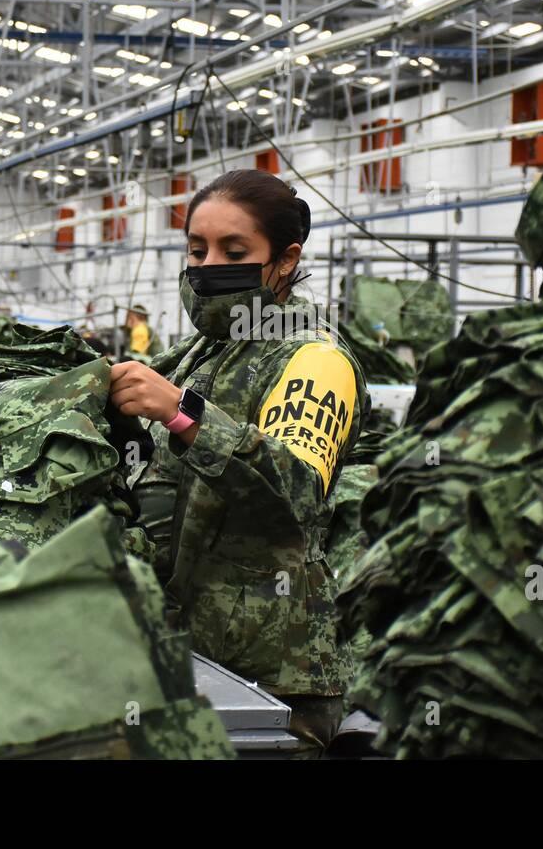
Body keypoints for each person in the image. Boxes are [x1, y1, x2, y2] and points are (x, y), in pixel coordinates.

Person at [109, 169, 367, 754]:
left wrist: (181, 413)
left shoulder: (315, 359)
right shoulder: (204, 352)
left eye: (234, 250)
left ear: (283, 259)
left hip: (272, 675)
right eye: (196, 249)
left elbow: (294, 490)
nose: (205, 266)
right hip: (189, 652)